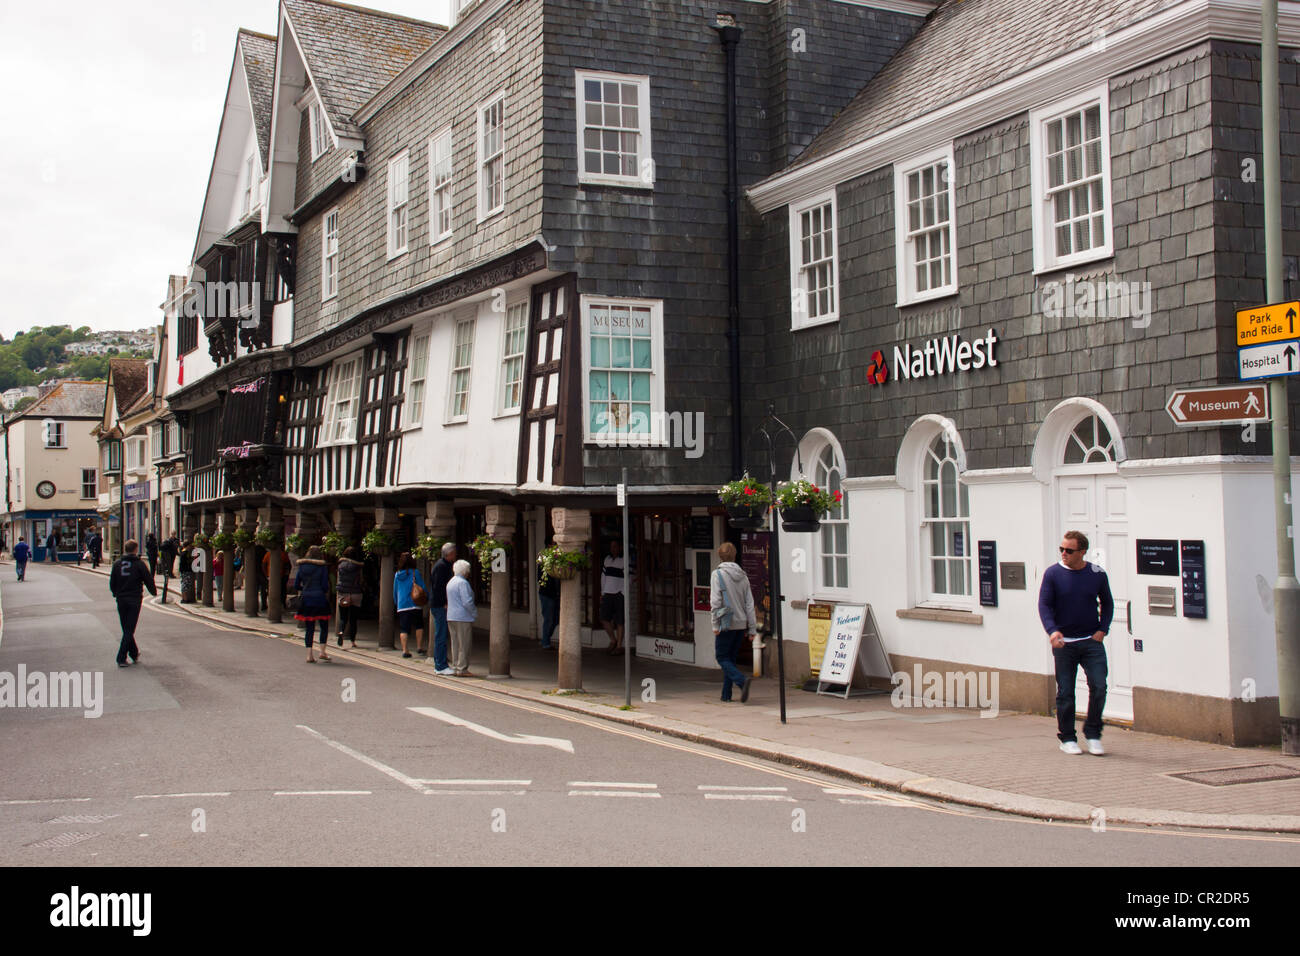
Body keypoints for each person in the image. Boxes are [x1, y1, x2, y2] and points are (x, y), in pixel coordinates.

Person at [1038, 530, 1114, 756]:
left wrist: (1102, 630)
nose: (1064, 554)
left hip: (1091, 641)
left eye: (1069, 551)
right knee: (1066, 691)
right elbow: (1044, 606)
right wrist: (1052, 631)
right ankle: (1067, 738)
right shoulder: (1052, 574)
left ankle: (1092, 734)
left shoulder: (1096, 573)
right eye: (1061, 549)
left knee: (1099, 686)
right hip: (1064, 644)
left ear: (1082, 552)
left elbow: (1108, 604)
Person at [710, 542, 757, 703]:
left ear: (720, 556)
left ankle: (742, 681)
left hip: (725, 622)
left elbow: (715, 602)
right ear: (734, 555)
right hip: (741, 623)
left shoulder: (717, 574)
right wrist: (752, 629)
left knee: (722, 657)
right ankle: (726, 695)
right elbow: (750, 603)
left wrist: (715, 625)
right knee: (730, 659)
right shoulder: (743, 575)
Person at [110, 539, 157, 667]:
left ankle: (134, 653)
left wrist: (115, 593)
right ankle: (121, 657)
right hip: (134, 599)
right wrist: (154, 592)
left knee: (126, 628)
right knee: (129, 629)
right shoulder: (140, 564)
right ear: (135, 549)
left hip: (121, 599)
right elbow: (148, 580)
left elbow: (112, 582)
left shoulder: (117, 564)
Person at [292, 545, 333, 662]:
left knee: (309, 627)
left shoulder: (302, 567)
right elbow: (325, 586)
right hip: (320, 599)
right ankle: (322, 652)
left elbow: (296, 585)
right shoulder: (322, 568)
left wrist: (305, 588)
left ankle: (309, 655)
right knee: (324, 626)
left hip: (306, 599)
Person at [428, 542, 456, 673]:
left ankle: (441, 662)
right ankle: (440, 666)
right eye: (454, 553)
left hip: (440, 605)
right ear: (449, 554)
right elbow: (438, 587)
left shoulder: (444, 565)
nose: (455, 555)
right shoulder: (441, 567)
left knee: (442, 634)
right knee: (441, 635)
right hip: (439, 606)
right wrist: (444, 603)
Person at [394, 551, 426, 659]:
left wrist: (396, 602)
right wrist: (426, 597)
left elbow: (395, 590)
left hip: (402, 604)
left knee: (404, 628)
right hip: (415, 603)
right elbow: (422, 586)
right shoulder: (415, 572)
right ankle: (419, 647)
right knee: (419, 625)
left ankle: (405, 650)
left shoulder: (397, 574)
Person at [446, 559, 476, 676]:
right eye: (468, 571)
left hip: (451, 616)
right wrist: (474, 612)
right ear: (465, 571)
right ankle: (462, 668)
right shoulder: (463, 583)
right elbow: (467, 601)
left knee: (455, 643)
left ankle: (455, 666)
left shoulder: (451, 581)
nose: (468, 573)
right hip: (463, 617)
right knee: (464, 644)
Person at [600, 539, 626, 654]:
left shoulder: (624, 560)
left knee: (620, 620)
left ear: (620, 547)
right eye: (611, 547)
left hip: (619, 593)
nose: (613, 549)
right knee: (604, 618)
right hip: (607, 592)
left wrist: (623, 592)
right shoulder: (607, 559)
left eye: (615, 546)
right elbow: (603, 577)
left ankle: (619, 646)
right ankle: (613, 640)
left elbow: (629, 577)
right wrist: (603, 592)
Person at [335, 546, 364, 649]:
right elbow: (361, 580)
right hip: (355, 593)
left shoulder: (340, 566)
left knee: (343, 617)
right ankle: (352, 641)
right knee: (353, 619)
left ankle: (341, 632)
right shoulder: (358, 567)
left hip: (343, 594)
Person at [537, 559, 559, 649]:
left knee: (556, 619)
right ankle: (546, 642)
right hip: (547, 594)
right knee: (548, 619)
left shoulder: (558, 562)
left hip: (556, 594)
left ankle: (545, 639)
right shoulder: (543, 562)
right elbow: (540, 578)